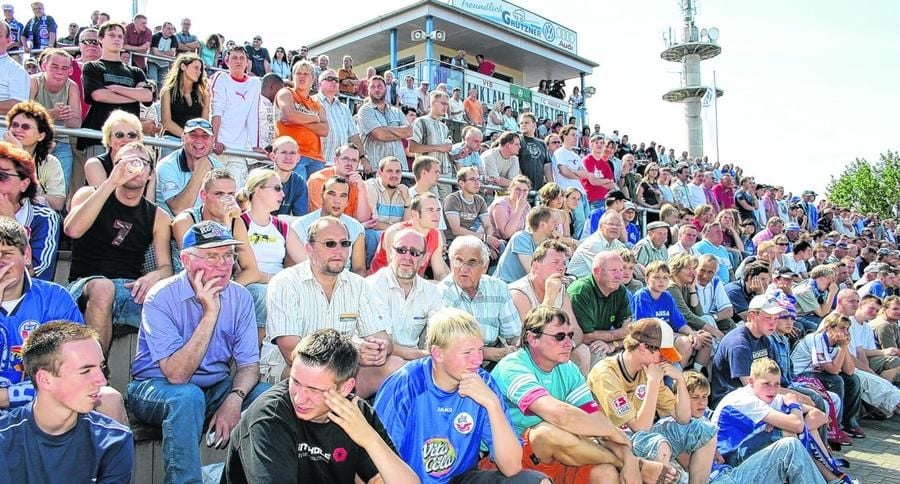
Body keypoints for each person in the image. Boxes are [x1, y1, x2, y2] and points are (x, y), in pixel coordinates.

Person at [128, 221, 270, 483]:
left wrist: (234, 399)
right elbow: (176, 375)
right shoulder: (161, 296)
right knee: (187, 396)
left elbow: (250, 366)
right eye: (212, 256)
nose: (224, 264)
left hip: (214, 388)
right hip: (154, 387)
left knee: (268, 396)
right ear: (185, 260)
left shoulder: (240, 297)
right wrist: (210, 314)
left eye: (228, 255)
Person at [491, 306, 668, 484]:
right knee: (546, 432)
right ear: (532, 339)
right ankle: (636, 465)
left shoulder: (568, 369)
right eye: (559, 337)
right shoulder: (512, 367)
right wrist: (631, 462)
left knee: (605, 473)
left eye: (570, 336)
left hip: (556, 454)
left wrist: (626, 455)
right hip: (509, 461)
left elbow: (595, 418)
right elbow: (560, 415)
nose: (568, 343)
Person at [374, 308, 549, 483]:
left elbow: (512, 468)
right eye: (467, 353)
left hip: (460, 479)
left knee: (537, 481)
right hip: (410, 480)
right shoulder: (405, 384)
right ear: (438, 353)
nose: (478, 360)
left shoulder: (483, 383)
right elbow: (377, 464)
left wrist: (492, 404)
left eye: (480, 350)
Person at [221, 328, 418, 484]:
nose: (300, 398)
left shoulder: (355, 414)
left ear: (346, 388)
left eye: (315, 390)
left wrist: (370, 440)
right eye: (295, 382)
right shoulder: (269, 418)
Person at [267, 216, 401, 397]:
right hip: (290, 370)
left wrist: (379, 349)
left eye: (345, 243)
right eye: (330, 244)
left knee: (396, 366)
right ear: (309, 248)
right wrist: (353, 353)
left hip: (340, 371)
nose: (339, 251)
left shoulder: (358, 284)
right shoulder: (285, 282)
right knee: (320, 382)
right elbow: (291, 351)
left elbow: (382, 337)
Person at [65, 142, 173, 354]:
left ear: (151, 173)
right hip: (85, 285)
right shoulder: (89, 194)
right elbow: (72, 230)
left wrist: (153, 277)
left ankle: (155, 380)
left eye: (142, 163)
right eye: (126, 162)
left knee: (175, 304)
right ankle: (98, 369)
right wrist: (111, 183)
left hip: (129, 289)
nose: (135, 167)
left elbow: (166, 267)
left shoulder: (158, 215)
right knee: (103, 288)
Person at [0, 321, 133, 483]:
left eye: (101, 367)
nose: (102, 380)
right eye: (85, 371)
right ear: (45, 379)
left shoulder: (113, 440)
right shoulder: (4, 438)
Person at [589, 318, 717, 484]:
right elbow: (639, 428)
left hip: (639, 435)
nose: (666, 361)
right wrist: (653, 382)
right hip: (614, 441)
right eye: (662, 355)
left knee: (705, 429)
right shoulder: (606, 373)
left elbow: (683, 418)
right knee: (657, 444)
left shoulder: (649, 369)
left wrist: (679, 379)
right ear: (643, 347)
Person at [711, 358, 838, 483]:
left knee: (796, 433)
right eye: (766, 384)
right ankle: (831, 477)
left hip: (750, 451)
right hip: (729, 460)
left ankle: (830, 478)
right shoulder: (744, 400)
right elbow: (797, 426)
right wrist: (793, 406)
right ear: (751, 382)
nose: (772, 390)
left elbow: (820, 416)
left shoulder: (768, 395)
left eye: (777, 384)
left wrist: (786, 423)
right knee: (789, 439)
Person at [236, 168, 307, 341]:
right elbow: (240, 271)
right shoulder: (239, 222)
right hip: (251, 285)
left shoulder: (282, 226)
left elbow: (307, 264)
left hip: (276, 283)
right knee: (265, 294)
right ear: (258, 190)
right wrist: (276, 278)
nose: (283, 194)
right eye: (277, 188)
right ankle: (254, 353)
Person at [171, 168, 261, 285]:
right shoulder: (186, 220)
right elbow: (202, 265)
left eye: (230, 194)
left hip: (223, 284)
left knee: (258, 291)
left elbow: (252, 271)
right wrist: (224, 226)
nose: (226, 199)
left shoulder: (235, 222)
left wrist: (229, 292)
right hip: (189, 286)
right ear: (203, 195)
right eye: (219, 194)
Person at [438, 236, 521, 363]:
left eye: (471, 263)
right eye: (458, 261)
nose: (464, 269)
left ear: (485, 266)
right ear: (450, 262)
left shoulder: (498, 288)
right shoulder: (442, 293)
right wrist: (496, 354)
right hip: (457, 362)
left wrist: (519, 346)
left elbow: (513, 335)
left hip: (495, 362)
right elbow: (450, 345)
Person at [366, 229, 444, 361]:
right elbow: (383, 345)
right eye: (401, 250)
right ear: (390, 253)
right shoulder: (372, 286)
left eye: (414, 253)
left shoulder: (431, 291)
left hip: (416, 362)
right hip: (379, 362)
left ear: (424, 258)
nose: (407, 257)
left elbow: (441, 336)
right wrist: (427, 357)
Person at [79, 22, 151, 158]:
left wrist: (116, 88)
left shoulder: (136, 71)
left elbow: (147, 96)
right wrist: (134, 95)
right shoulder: (92, 67)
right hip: (99, 137)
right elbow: (99, 95)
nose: (116, 39)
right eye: (111, 35)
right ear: (100, 39)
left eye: (120, 36)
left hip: (130, 140)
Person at [790, 312, 865, 439]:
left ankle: (849, 422)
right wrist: (842, 348)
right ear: (830, 328)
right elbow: (833, 370)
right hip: (801, 373)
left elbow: (850, 371)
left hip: (819, 372)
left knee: (853, 380)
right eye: (841, 328)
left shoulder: (839, 342)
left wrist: (844, 347)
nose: (846, 332)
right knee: (836, 380)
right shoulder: (816, 338)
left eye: (847, 329)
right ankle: (835, 428)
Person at [0, 141, 59, 283]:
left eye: (2, 177)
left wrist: (12, 225)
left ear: (24, 184)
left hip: (24, 298)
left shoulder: (44, 218)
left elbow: (34, 274)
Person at [709, 294, 784, 407]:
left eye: (776, 318)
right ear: (753, 316)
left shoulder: (765, 339)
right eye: (768, 318)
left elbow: (773, 378)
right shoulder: (738, 344)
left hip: (760, 394)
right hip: (732, 401)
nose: (773, 323)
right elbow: (751, 388)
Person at [28, 48, 81, 194]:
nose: (59, 72)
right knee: (30, 187)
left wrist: (66, 115)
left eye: (64, 68)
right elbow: (24, 116)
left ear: (70, 71)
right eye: (54, 66)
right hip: (33, 141)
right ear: (44, 66)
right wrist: (52, 114)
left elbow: (76, 123)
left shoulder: (72, 86)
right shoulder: (34, 82)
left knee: (60, 191)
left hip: (62, 142)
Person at [293, 175, 366, 276]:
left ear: (348, 201)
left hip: (344, 282)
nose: (337, 201)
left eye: (343, 196)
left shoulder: (356, 227)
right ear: (322, 195)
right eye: (332, 194)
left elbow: (359, 269)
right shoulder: (300, 225)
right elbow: (291, 267)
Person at [210, 45, 262, 187]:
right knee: (214, 189)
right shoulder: (220, 78)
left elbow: (253, 114)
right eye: (234, 58)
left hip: (238, 150)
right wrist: (214, 140)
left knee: (238, 192)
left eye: (241, 58)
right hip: (218, 148)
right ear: (227, 61)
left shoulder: (255, 83)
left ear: (247, 62)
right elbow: (216, 109)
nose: (238, 61)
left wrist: (256, 145)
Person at [568, 251, 631, 365]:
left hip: (607, 344)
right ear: (597, 272)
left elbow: (629, 328)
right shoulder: (581, 291)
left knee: (640, 351)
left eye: (621, 270)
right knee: (599, 355)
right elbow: (587, 337)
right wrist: (618, 334)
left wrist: (613, 345)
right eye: (613, 271)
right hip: (579, 346)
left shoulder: (620, 290)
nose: (619, 275)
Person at [369, 192, 449, 280]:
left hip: (415, 285)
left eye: (438, 210)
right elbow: (396, 274)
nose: (437, 215)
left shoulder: (436, 234)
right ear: (415, 214)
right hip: (383, 284)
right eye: (430, 210)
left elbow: (440, 273)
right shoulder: (395, 233)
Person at [155, 117, 226, 216]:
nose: (199, 140)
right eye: (193, 135)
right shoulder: (167, 165)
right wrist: (199, 173)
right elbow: (179, 210)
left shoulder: (219, 167)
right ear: (183, 137)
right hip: (170, 227)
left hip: (204, 226)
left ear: (213, 140)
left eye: (205, 136)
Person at [4, 100, 66, 211]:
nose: (18, 130)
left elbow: (58, 202)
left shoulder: (50, 162)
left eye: (25, 127)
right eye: (14, 125)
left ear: (41, 136)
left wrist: (20, 153)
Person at [275, 60, 328, 180]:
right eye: (298, 73)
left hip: (316, 159)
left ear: (313, 79)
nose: (302, 77)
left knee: (315, 197)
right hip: (292, 155)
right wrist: (314, 118)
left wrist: (299, 119)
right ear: (293, 76)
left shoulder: (318, 105)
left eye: (306, 74)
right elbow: (289, 115)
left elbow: (324, 130)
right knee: (296, 195)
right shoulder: (285, 93)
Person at [444, 167, 503, 259]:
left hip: (469, 240)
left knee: (500, 246)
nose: (477, 183)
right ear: (461, 183)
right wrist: (484, 238)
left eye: (478, 179)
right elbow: (456, 230)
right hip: (450, 241)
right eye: (472, 179)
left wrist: (488, 243)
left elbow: (487, 225)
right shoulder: (453, 199)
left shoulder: (479, 200)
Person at [306, 144, 373, 225]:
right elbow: (323, 217)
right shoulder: (319, 179)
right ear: (335, 160)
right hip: (322, 228)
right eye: (345, 159)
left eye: (354, 160)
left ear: (358, 164)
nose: (349, 163)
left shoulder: (357, 182)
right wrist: (356, 227)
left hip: (350, 228)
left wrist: (362, 190)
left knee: (371, 234)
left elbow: (363, 219)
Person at [314, 68, 366, 169]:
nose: (334, 81)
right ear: (319, 84)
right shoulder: (311, 103)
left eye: (336, 80)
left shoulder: (344, 108)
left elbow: (354, 136)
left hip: (340, 168)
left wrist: (362, 157)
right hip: (318, 165)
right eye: (329, 78)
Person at [159, 53, 209, 152]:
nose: (199, 72)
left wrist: (193, 139)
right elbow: (166, 122)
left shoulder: (203, 94)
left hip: (194, 144)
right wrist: (186, 136)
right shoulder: (168, 91)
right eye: (196, 68)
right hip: (171, 140)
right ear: (183, 66)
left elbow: (204, 123)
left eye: (200, 69)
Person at [494, 206, 556, 284]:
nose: (556, 225)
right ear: (542, 225)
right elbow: (532, 270)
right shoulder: (521, 238)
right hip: (505, 286)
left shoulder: (547, 243)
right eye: (553, 222)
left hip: (524, 287)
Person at [409, 90, 453, 197]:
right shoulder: (420, 122)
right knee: (429, 206)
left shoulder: (444, 127)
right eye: (443, 103)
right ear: (433, 103)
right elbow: (412, 147)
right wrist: (438, 148)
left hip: (445, 175)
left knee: (443, 211)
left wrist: (457, 154)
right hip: (427, 172)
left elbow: (445, 151)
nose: (445, 107)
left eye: (447, 104)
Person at [566, 211, 626, 278]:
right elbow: (605, 271)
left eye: (618, 225)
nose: (615, 227)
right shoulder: (593, 244)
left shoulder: (616, 243)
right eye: (610, 224)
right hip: (578, 282)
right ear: (601, 227)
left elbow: (629, 261)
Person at [268, 136, 308, 220]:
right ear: (273, 156)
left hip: (282, 228)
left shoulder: (299, 181)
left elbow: (300, 217)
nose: (288, 157)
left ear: (298, 158)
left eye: (292, 153)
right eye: (283, 152)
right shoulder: (260, 177)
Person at [695, 254, 737, 332]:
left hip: (710, 321)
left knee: (728, 323)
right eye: (702, 270)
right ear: (695, 268)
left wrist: (712, 318)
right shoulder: (689, 282)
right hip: (693, 324)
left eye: (710, 272)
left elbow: (729, 310)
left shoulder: (715, 281)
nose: (705, 276)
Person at [147, 22, 179, 86]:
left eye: (172, 29)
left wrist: (159, 52)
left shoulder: (174, 38)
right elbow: (155, 53)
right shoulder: (156, 36)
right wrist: (168, 57)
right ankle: (153, 95)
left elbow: (172, 53)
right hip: (153, 61)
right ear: (163, 29)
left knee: (162, 84)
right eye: (168, 29)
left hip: (164, 64)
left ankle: (159, 96)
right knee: (153, 81)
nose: (170, 31)